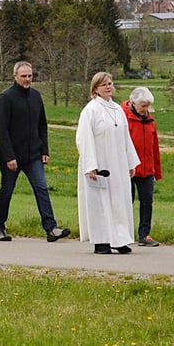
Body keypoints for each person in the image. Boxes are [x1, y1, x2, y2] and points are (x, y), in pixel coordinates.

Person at [0, 61, 68, 242]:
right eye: (24, 76)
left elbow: (42, 125)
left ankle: (51, 228)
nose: (27, 79)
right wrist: (9, 156)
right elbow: (2, 131)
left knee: (41, 188)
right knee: (7, 190)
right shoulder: (5, 98)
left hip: (33, 154)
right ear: (15, 77)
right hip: (11, 156)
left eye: (30, 76)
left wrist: (45, 149)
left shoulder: (36, 96)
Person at [76, 72, 140, 255]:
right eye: (104, 84)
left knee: (120, 201)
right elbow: (84, 139)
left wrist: (130, 162)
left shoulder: (117, 109)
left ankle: (120, 239)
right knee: (100, 203)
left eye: (110, 83)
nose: (108, 87)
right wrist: (91, 165)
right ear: (95, 88)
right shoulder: (91, 110)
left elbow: (126, 137)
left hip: (118, 164)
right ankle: (101, 241)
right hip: (100, 163)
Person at [123, 86, 163, 246]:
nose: (146, 109)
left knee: (147, 201)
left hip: (147, 169)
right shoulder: (124, 118)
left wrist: (156, 171)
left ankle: (144, 234)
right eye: (143, 106)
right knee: (127, 201)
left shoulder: (150, 121)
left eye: (148, 106)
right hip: (129, 169)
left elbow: (155, 147)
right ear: (133, 103)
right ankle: (124, 234)